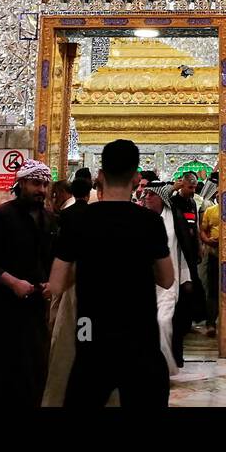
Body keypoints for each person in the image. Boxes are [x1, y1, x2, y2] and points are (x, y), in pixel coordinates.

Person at [49, 138, 174, 407]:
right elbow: (167, 279)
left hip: (90, 333)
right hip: (139, 335)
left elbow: (56, 284)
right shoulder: (150, 222)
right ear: (136, 177)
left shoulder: (77, 220)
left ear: (100, 176)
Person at [0, 156, 57, 407]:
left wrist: (51, 284)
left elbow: (54, 259)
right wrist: (13, 283)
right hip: (1, 313)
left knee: (32, 373)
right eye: (34, 184)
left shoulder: (50, 220)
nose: (41, 190)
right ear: (20, 184)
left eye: (44, 184)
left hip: (34, 312)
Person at [140, 181, 192, 375]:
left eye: (150, 195)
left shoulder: (174, 219)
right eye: (145, 195)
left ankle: (165, 365)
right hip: (144, 283)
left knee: (163, 321)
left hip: (170, 282)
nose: (146, 198)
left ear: (161, 198)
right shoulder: (142, 219)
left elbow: (182, 250)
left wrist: (187, 277)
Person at [169, 171, 204, 356]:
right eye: (190, 187)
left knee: (190, 288)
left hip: (190, 254)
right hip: (177, 252)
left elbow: (195, 225)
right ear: (182, 185)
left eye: (195, 187)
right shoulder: (173, 203)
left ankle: (186, 322)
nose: (193, 190)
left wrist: (198, 246)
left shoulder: (193, 203)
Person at [199, 185, 221, 335]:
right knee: (213, 290)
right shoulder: (211, 211)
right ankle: (211, 323)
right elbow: (203, 230)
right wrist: (207, 241)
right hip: (215, 255)